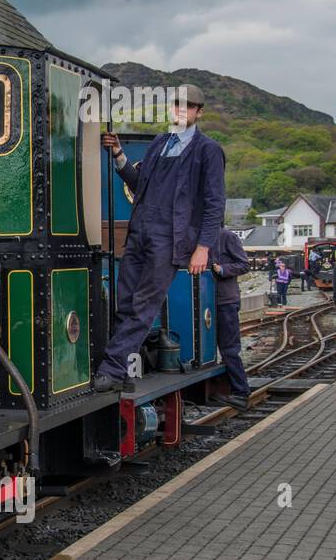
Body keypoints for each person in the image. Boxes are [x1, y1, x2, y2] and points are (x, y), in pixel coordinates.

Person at [93, 84, 226, 392]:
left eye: (189, 106)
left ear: (198, 112)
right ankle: (125, 370)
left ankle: (112, 369)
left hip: (170, 239)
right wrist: (119, 155)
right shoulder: (158, 144)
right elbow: (140, 186)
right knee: (124, 303)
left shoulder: (209, 150)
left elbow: (215, 203)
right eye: (178, 104)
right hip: (140, 232)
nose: (182, 110)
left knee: (143, 306)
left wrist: (203, 248)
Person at [211, 228, 251, 411]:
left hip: (225, 300)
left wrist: (222, 269)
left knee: (229, 348)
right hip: (208, 299)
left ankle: (241, 392)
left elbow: (244, 264)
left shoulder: (227, 237)